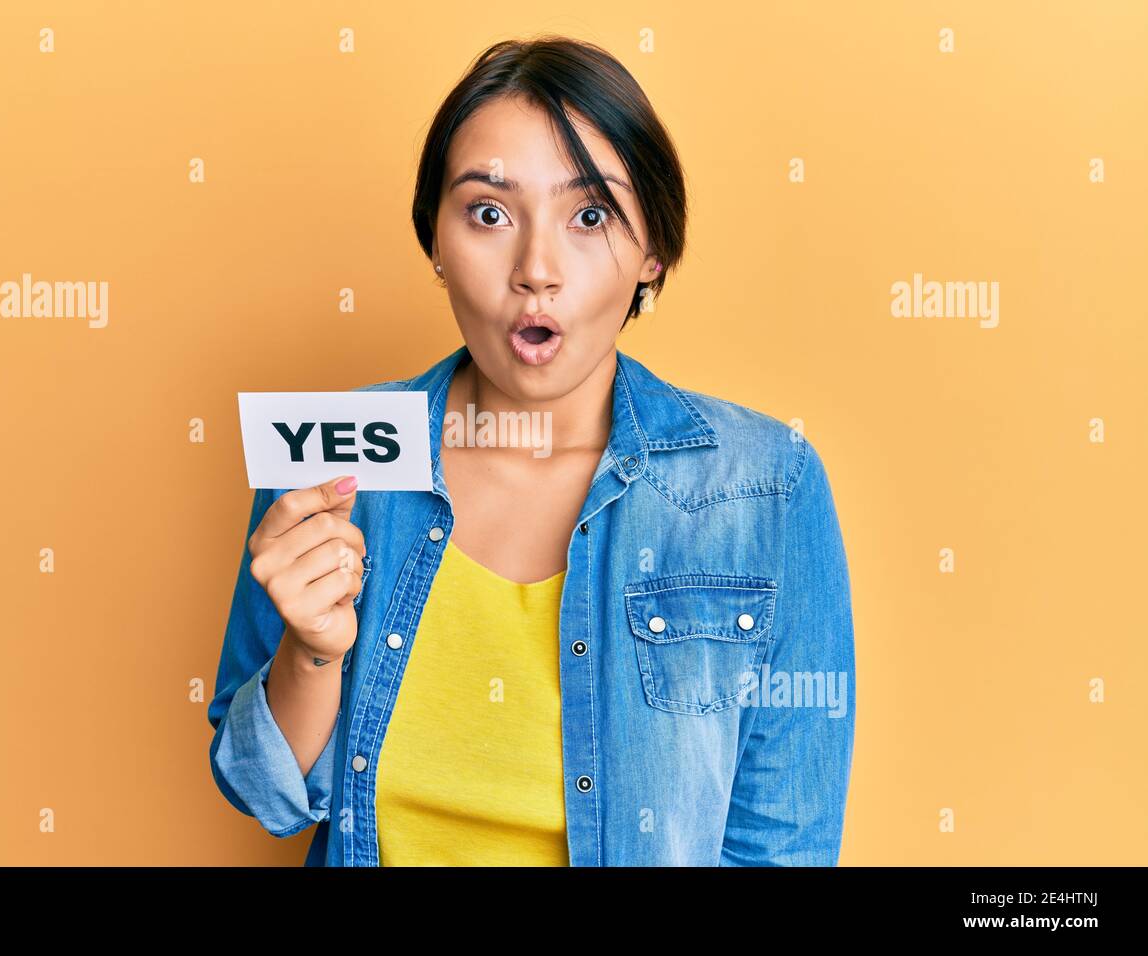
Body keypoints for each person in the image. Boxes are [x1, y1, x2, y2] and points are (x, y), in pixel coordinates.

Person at [209, 35, 855, 866]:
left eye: (590, 216)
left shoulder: (764, 485)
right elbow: (264, 798)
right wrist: (312, 650)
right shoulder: (337, 461)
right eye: (489, 213)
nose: (536, 270)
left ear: (653, 252)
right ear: (435, 244)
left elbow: (785, 847)